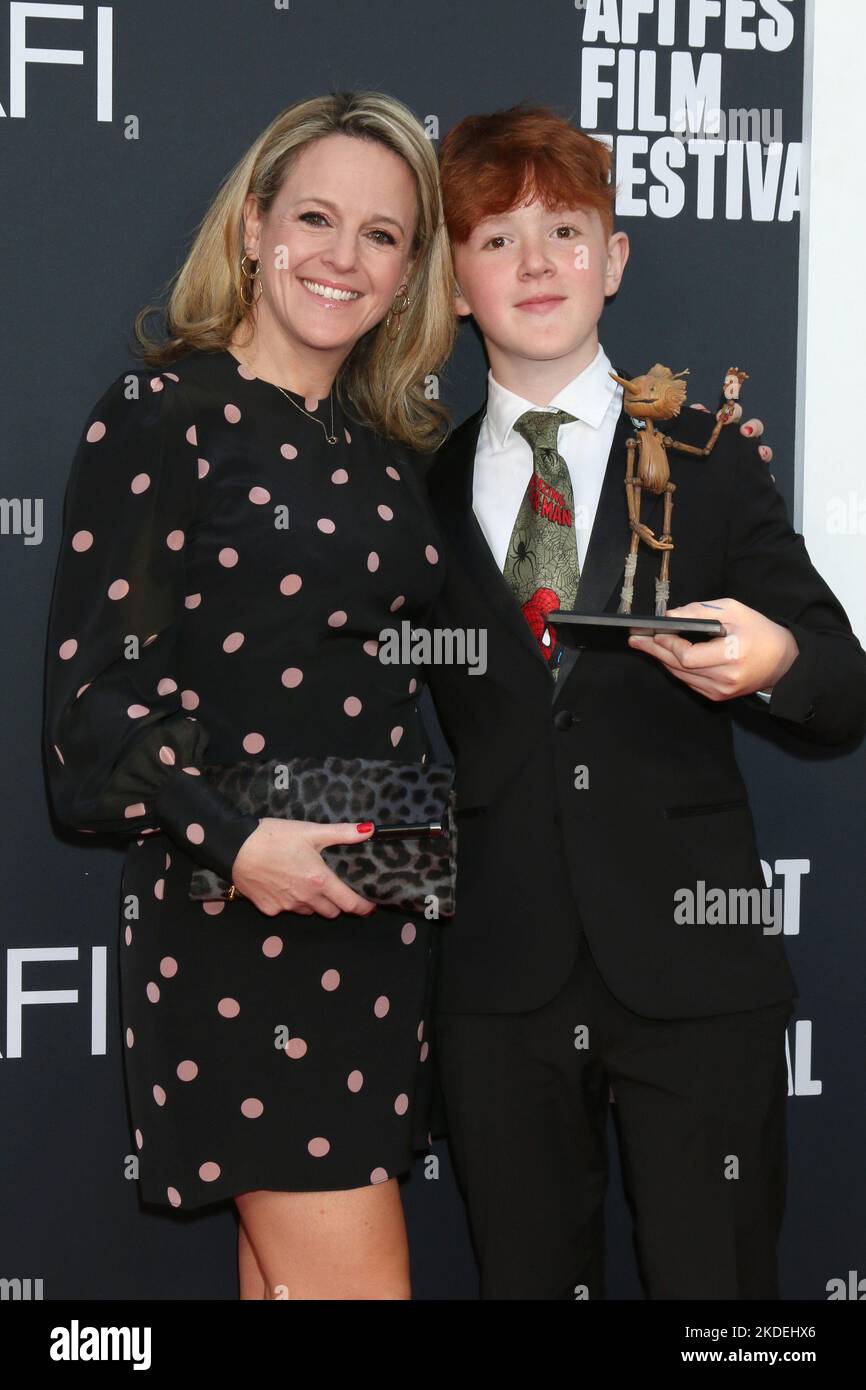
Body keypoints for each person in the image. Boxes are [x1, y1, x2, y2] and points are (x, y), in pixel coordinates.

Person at [422, 104, 866, 1299]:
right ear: (452, 281)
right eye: (496, 238)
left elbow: (839, 685)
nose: (535, 263)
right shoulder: (411, 487)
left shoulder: (714, 461)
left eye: (565, 230)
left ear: (613, 260)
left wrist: (771, 656)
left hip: (694, 968)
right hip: (495, 977)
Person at [43, 90, 456, 1301]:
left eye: (381, 234)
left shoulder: (387, 455)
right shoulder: (161, 414)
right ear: (251, 228)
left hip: (372, 914)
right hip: (235, 918)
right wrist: (236, 841)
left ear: (407, 270)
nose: (343, 255)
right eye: (315, 216)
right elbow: (86, 713)